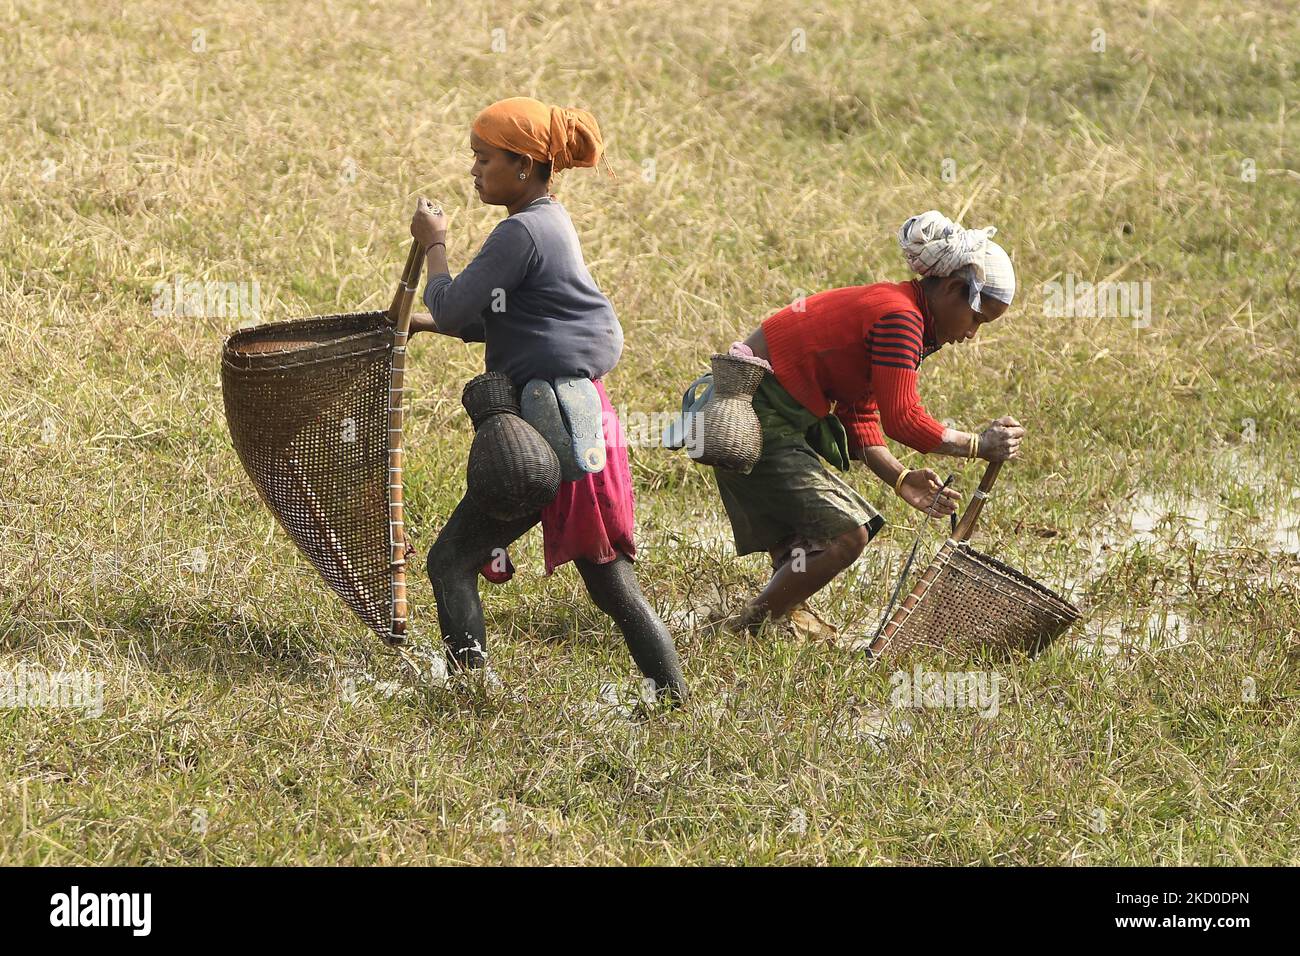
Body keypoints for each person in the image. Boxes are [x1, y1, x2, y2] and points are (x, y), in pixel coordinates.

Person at [408, 96, 686, 702]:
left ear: (526, 167)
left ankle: (472, 690)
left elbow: (455, 305)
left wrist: (435, 245)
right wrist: (426, 325)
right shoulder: (548, 220)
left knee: (453, 558)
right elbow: (512, 318)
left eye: (484, 160)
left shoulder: (520, 231)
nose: (474, 172)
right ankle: (671, 695)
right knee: (611, 583)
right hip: (578, 416)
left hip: (552, 424)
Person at [710, 210, 1026, 633]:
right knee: (846, 535)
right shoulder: (901, 318)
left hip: (764, 413)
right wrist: (977, 445)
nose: (972, 334)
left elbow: (859, 409)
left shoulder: (899, 308)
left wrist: (900, 479)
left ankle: (779, 613)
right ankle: (743, 628)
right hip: (752, 415)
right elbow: (904, 419)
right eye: (977, 319)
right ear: (952, 288)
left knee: (805, 542)